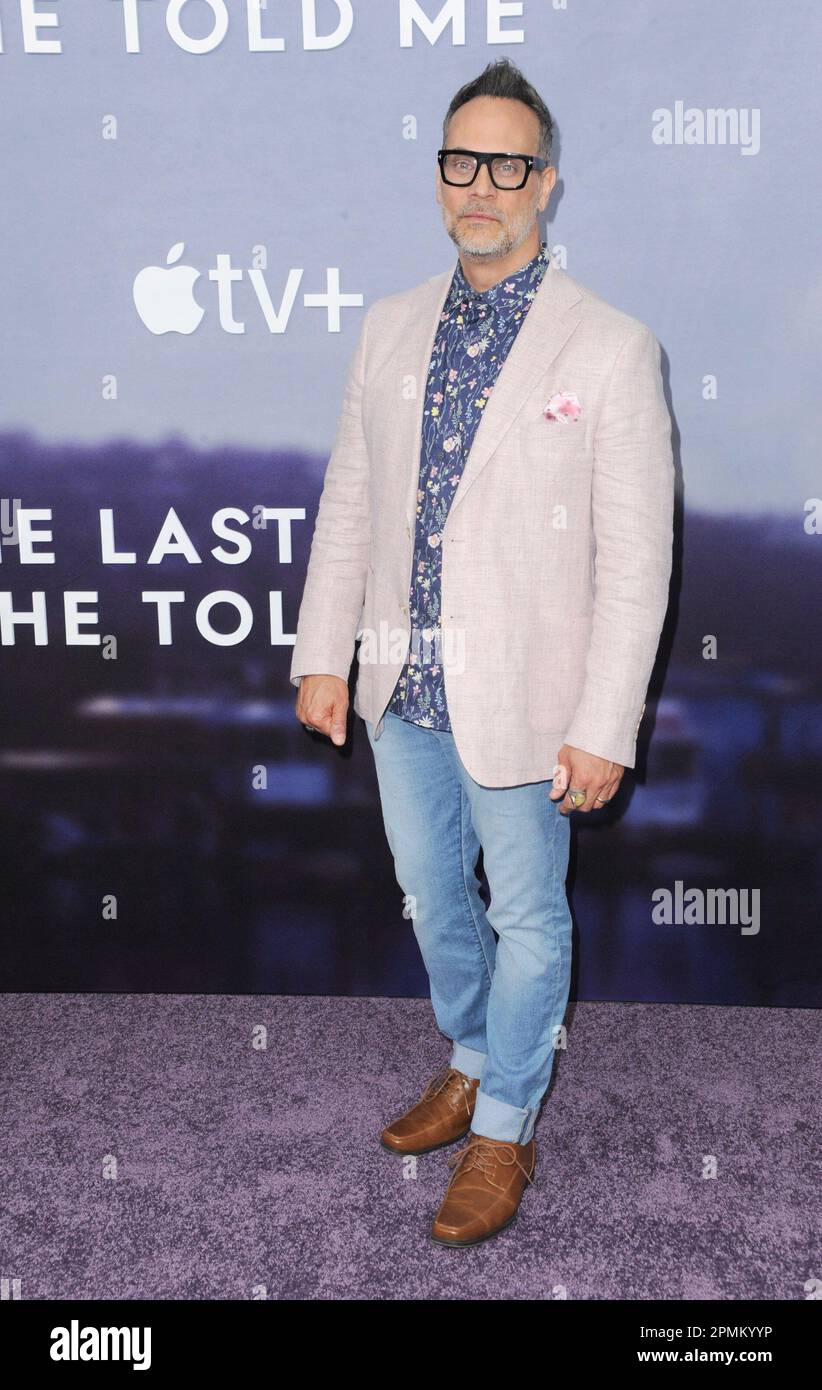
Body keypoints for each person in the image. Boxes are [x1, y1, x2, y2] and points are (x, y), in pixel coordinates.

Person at [290, 57, 674, 1247]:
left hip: (531, 694)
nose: (482, 185)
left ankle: (506, 1120)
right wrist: (326, 653)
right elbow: (351, 495)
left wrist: (605, 723)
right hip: (406, 685)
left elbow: (636, 555)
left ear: (545, 184)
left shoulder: (610, 346)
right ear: (441, 175)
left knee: (529, 916)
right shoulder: (389, 326)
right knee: (427, 896)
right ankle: (469, 1054)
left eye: (508, 165)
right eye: (463, 161)